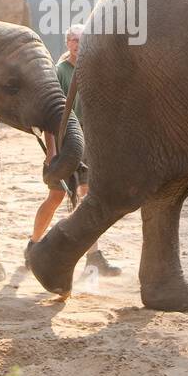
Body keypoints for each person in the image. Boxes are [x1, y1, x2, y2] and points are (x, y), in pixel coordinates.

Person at [31, 23, 120, 276]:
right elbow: (49, 116)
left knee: (86, 197)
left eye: (82, 41)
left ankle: (94, 258)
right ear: (67, 42)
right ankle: (33, 245)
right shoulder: (59, 72)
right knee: (56, 197)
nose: (77, 45)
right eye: (73, 40)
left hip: (87, 142)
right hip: (64, 142)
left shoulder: (91, 70)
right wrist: (51, 152)